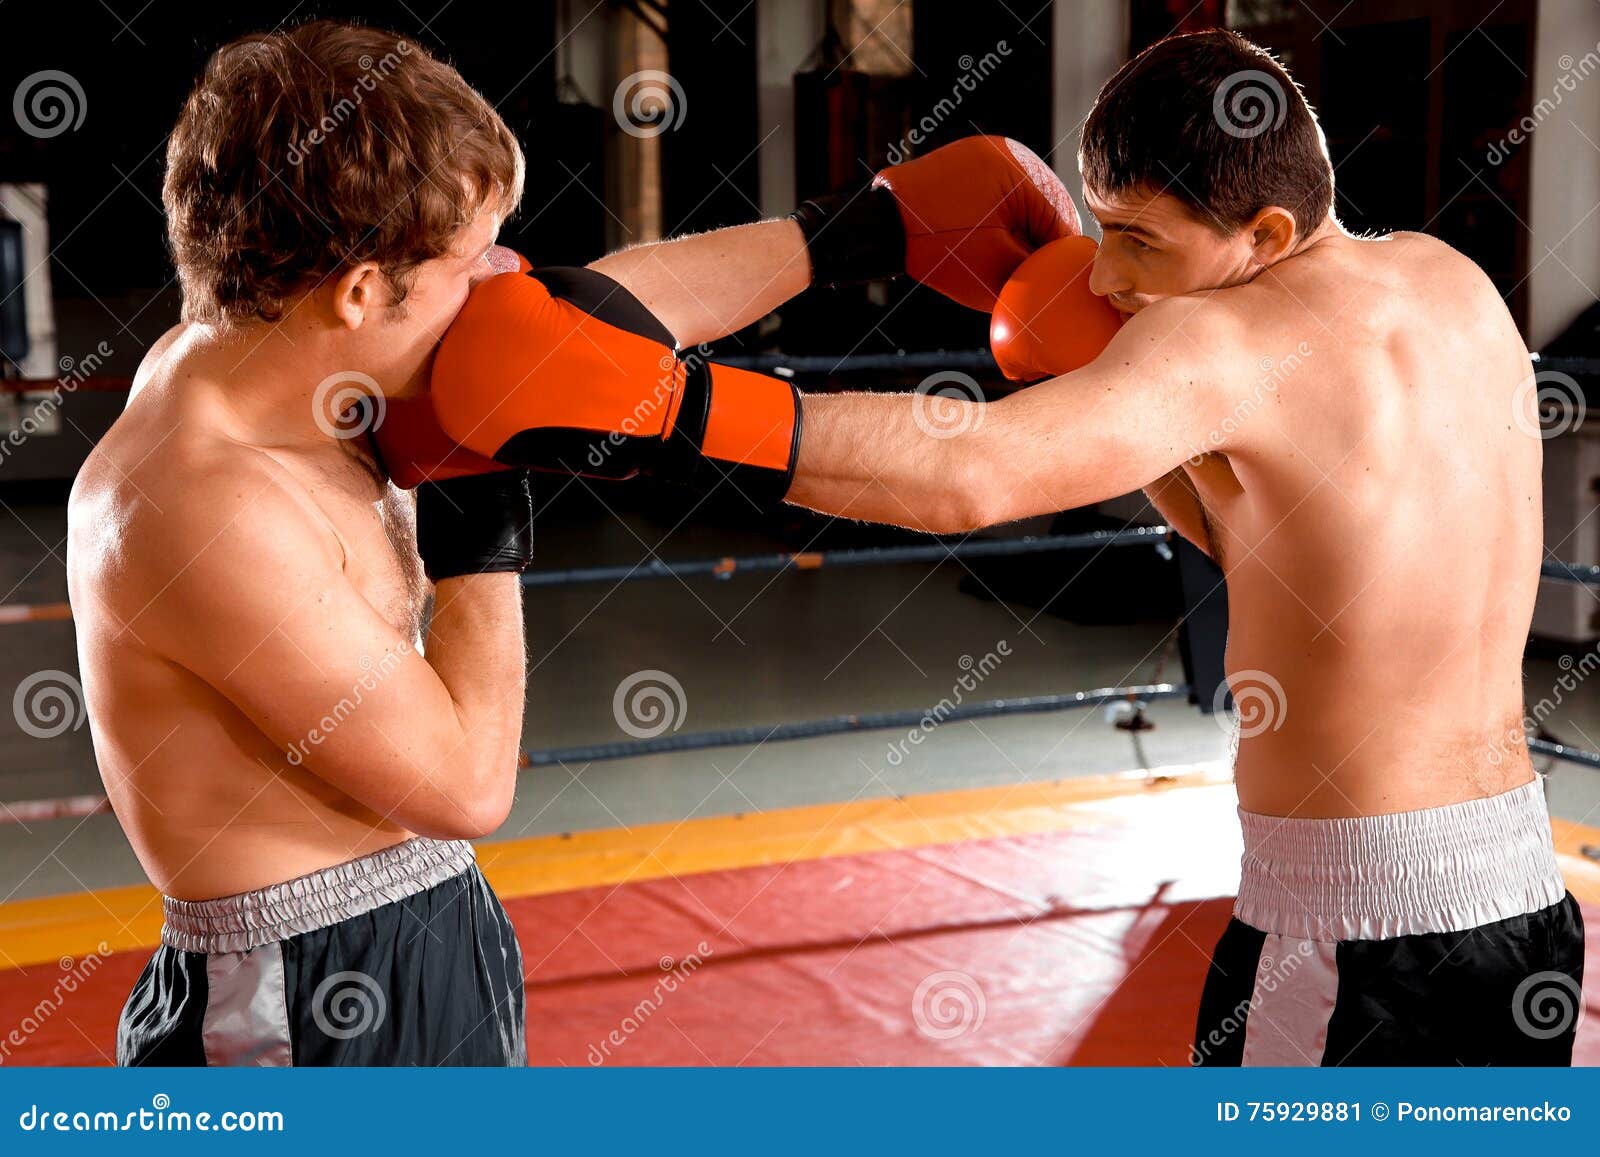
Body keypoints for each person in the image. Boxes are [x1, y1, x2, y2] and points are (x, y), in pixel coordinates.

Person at [426, 30, 1582, 1066]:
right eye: (1100, 225)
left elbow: (969, 472)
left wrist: (675, 408)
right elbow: (1268, 535)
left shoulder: (1218, 340)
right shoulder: (1450, 285)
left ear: (1264, 233)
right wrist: (1104, 364)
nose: (1107, 273)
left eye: (1135, 240)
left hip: (1353, 930)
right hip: (1521, 895)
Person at [68, 20, 1074, 1065]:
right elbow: (467, 784)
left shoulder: (289, 351)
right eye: (467, 261)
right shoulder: (201, 504)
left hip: (427, 932)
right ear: (362, 289)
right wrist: (480, 524)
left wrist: (860, 230)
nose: (500, 276)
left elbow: (590, 316)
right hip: (301, 999)